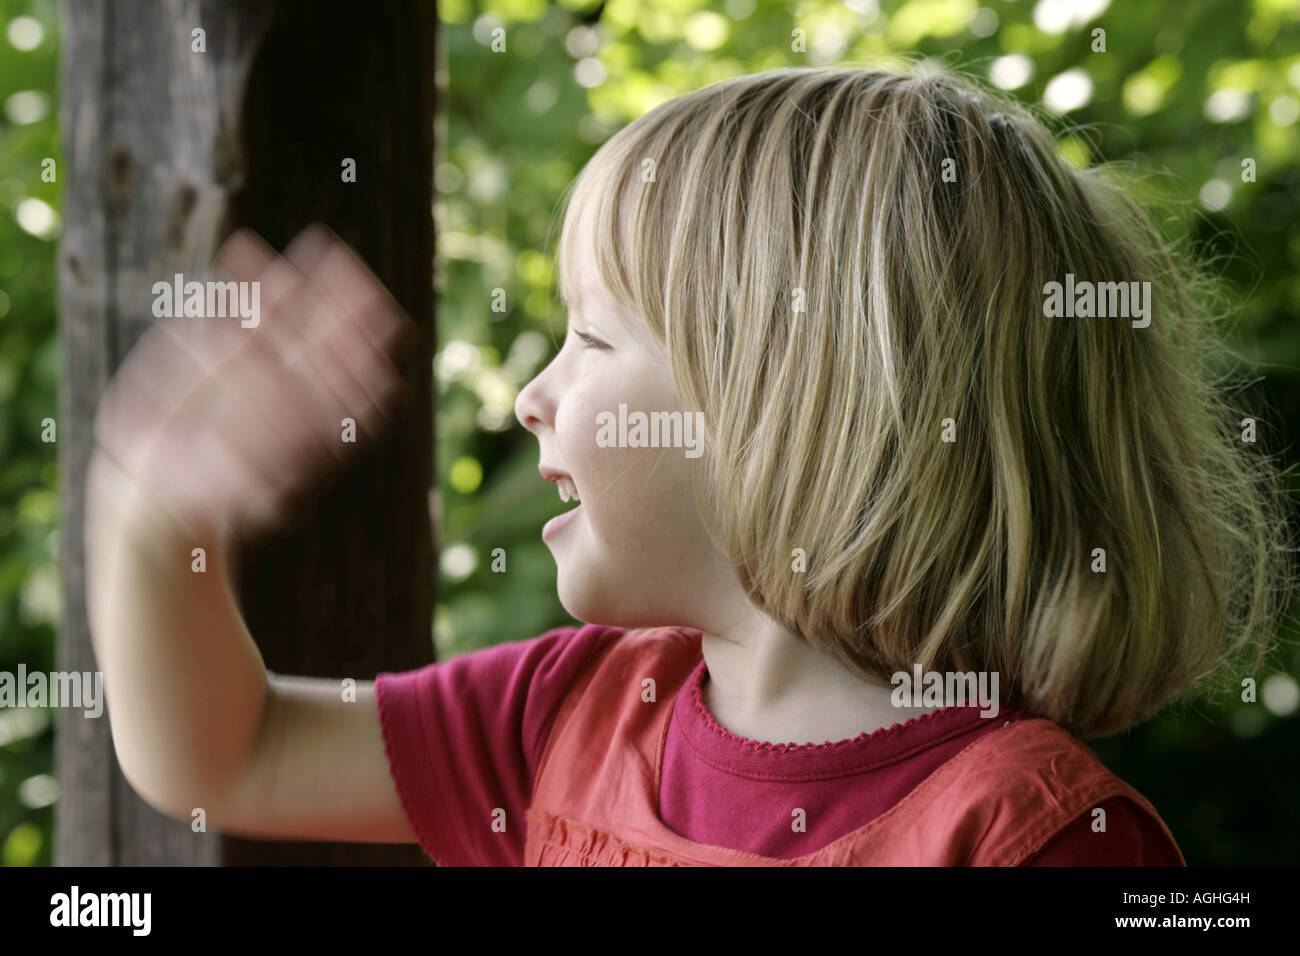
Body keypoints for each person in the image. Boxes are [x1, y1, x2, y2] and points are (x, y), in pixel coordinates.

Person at [85, 63, 1290, 866]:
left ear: (798, 408)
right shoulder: (558, 717)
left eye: (594, 338)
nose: (529, 395)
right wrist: (150, 516)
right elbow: (225, 753)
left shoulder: (1028, 835)